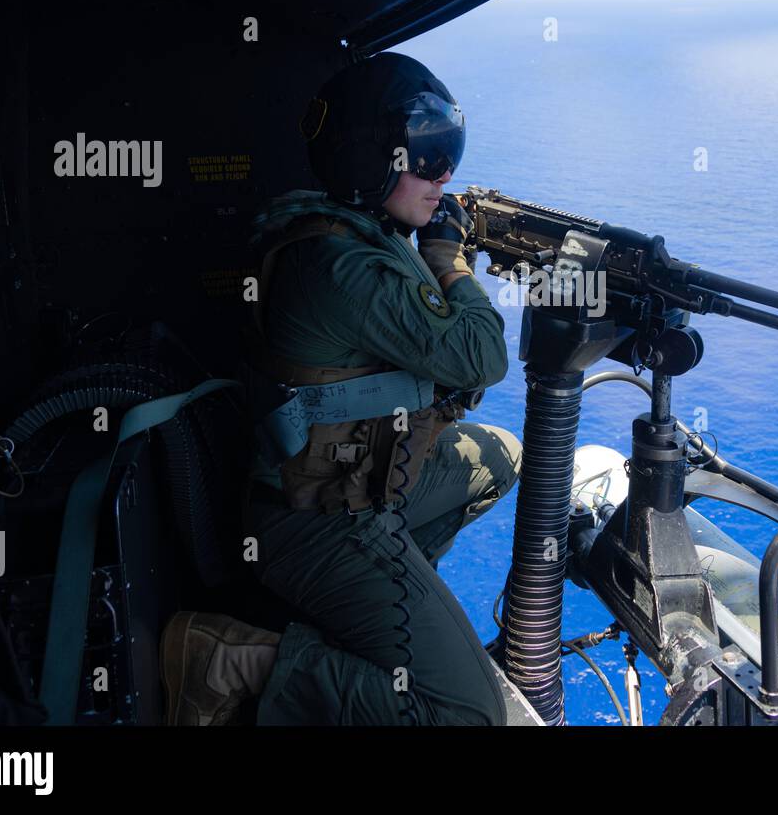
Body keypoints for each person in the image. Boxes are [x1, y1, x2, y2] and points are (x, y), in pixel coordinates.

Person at [161, 53, 521, 725]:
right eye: (428, 158)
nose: (444, 176)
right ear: (368, 160)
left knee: (499, 456)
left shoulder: (358, 231)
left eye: (450, 152)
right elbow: (480, 355)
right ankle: (233, 658)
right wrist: (449, 258)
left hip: (360, 486)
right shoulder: (338, 264)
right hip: (319, 521)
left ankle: (389, 615)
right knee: (471, 715)